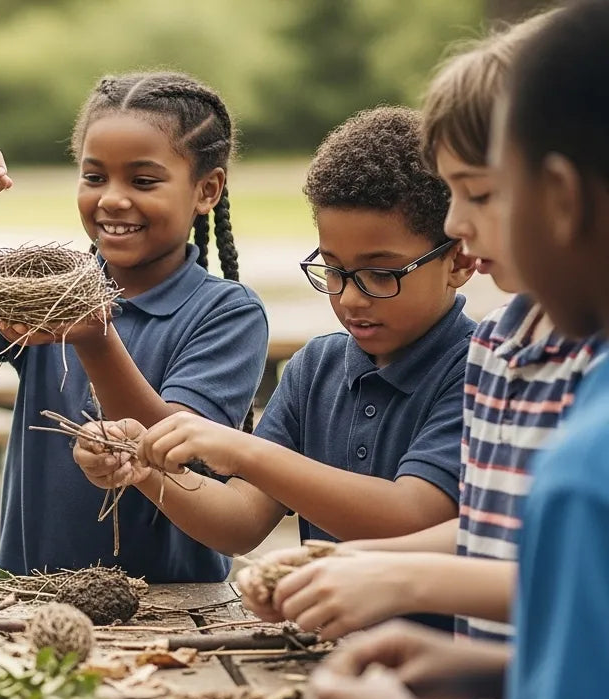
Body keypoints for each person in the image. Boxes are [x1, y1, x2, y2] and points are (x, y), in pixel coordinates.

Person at [310, 3, 609, 699]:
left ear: (562, 196)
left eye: (479, 193)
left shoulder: (588, 455)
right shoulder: (503, 344)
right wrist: (481, 666)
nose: (457, 225)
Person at [0, 71, 267, 581]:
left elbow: (166, 445)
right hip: (34, 593)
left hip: (171, 608)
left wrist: (96, 340)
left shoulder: (227, 313)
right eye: (95, 177)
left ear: (207, 190)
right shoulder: (52, 288)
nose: (112, 199)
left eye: (143, 180)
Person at [73, 107, 474, 566]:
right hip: (328, 637)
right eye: (333, 269)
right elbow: (239, 522)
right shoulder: (315, 369)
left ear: (459, 263)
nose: (350, 298)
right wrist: (145, 468)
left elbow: (413, 515)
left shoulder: (479, 369)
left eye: (381, 274)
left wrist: (246, 452)